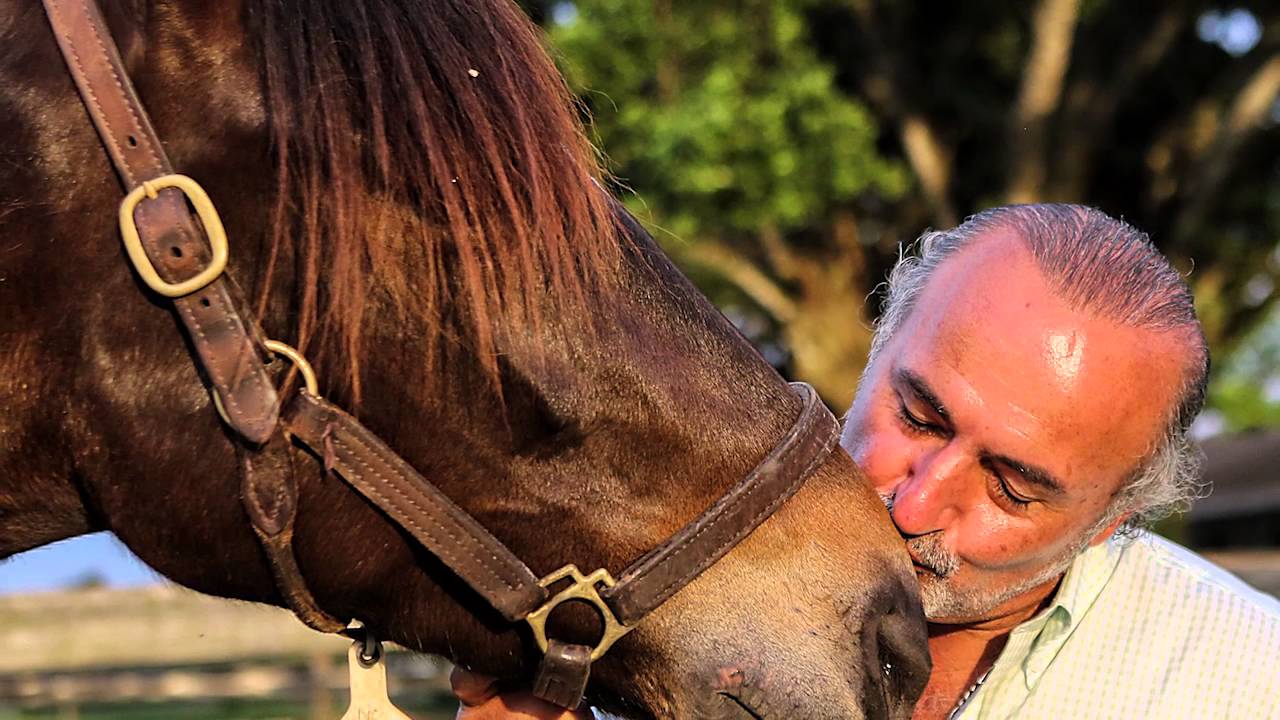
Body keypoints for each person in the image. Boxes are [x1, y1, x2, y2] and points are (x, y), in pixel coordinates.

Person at [453, 204, 1280, 719]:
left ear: (1109, 524)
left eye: (1012, 486)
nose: (915, 505)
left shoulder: (1250, 682)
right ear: (879, 344)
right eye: (918, 415)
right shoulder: (650, 565)